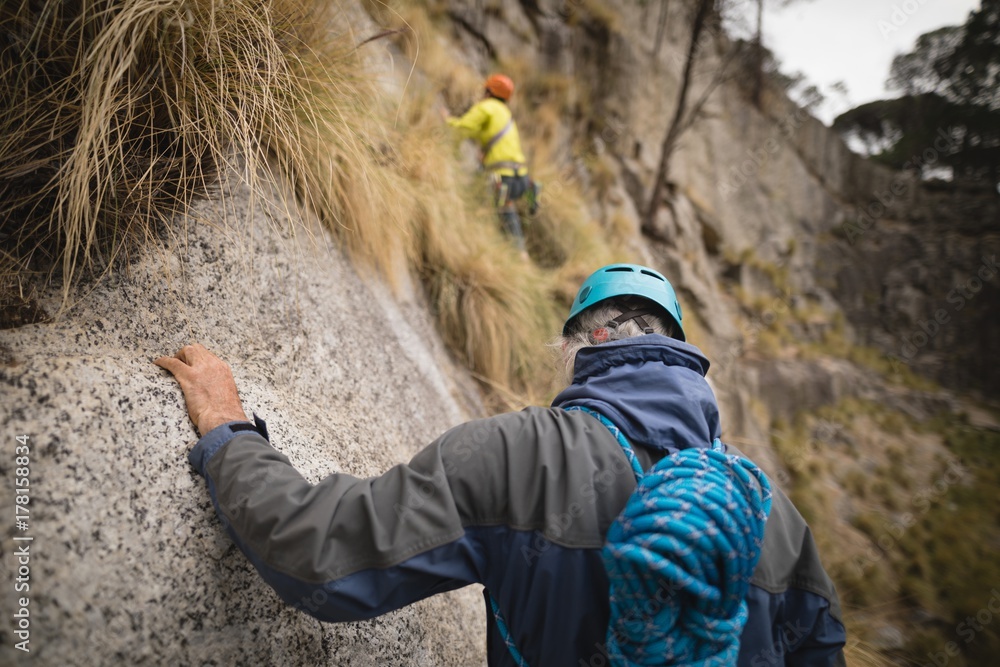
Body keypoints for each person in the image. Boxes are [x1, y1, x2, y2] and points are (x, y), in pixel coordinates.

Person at [155, 263, 847, 666]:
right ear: (682, 355)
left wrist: (227, 429)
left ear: (587, 344)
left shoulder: (521, 452)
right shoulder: (777, 518)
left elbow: (319, 557)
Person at [443, 73, 537, 257]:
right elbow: (496, 140)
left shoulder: (486, 107)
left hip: (503, 177)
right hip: (521, 179)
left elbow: (463, 128)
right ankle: (519, 253)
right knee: (505, 207)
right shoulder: (506, 114)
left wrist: (446, 120)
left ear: (488, 91)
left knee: (477, 201)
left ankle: (478, 243)